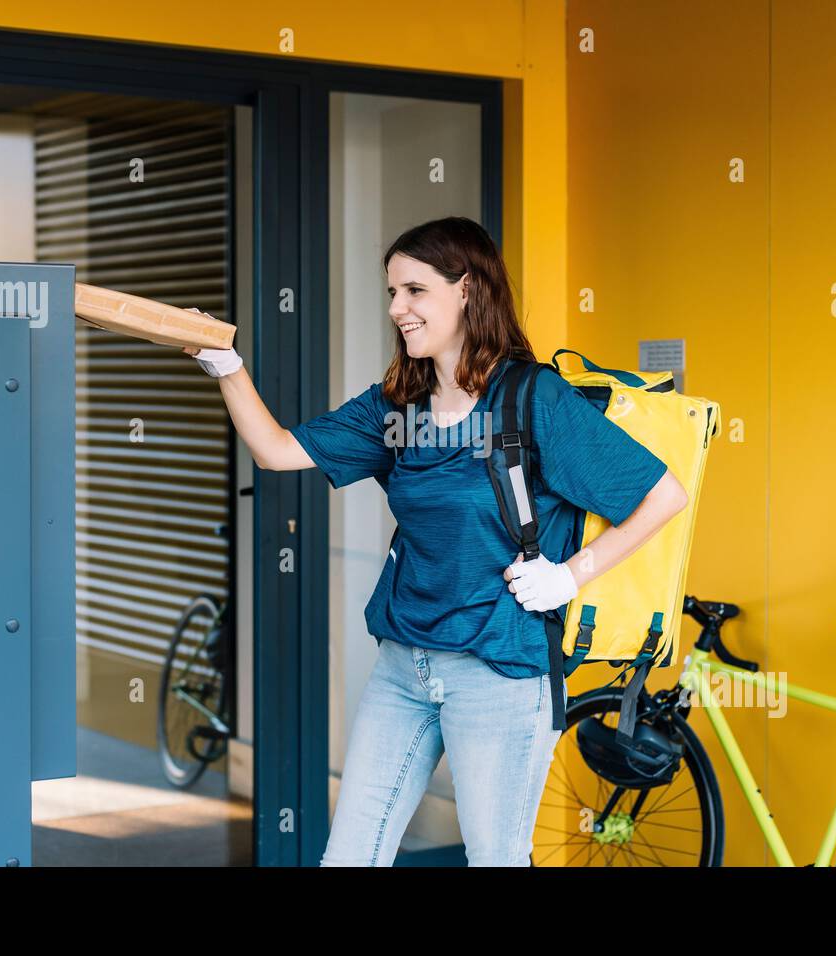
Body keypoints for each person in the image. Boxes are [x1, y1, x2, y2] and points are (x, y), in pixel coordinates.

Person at [184, 216, 688, 866]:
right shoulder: (398, 404)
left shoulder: (533, 399)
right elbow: (279, 451)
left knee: (495, 859)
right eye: (392, 292)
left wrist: (573, 573)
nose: (397, 308)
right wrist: (227, 366)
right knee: (350, 857)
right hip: (402, 668)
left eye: (414, 290)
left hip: (498, 671)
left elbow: (662, 495)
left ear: (467, 290)